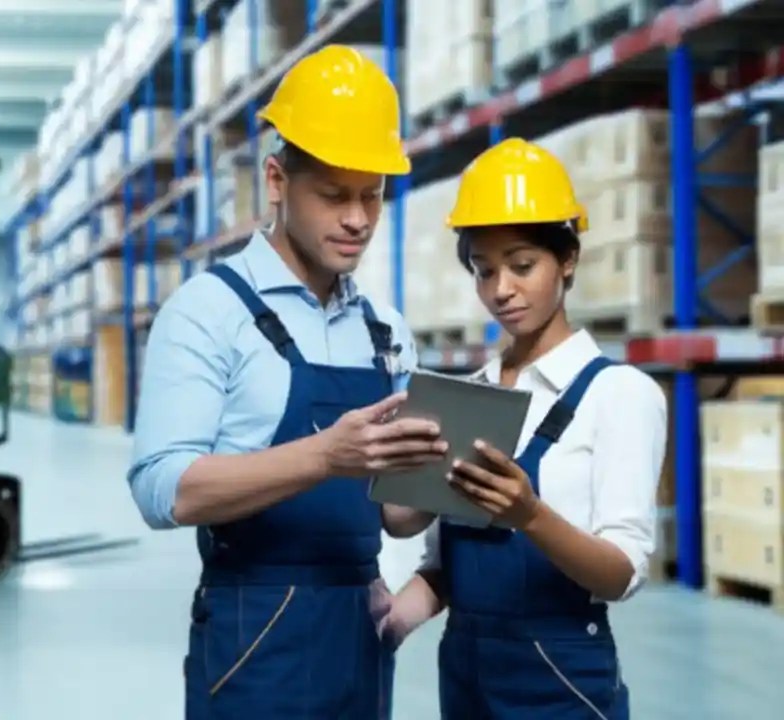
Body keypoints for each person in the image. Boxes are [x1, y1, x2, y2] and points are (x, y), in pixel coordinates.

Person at [127, 45, 448, 719]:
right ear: (276, 180)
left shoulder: (385, 332)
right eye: (333, 195)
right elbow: (162, 489)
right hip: (254, 638)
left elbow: (395, 517)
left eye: (371, 195)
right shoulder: (208, 311)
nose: (357, 219)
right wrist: (325, 456)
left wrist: (447, 480)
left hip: (360, 633)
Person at [377, 138, 668, 719]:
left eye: (522, 265)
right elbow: (443, 568)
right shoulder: (468, 397)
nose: (500, 289)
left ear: (568, 259)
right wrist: (387, 624)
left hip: (562, 679)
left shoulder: (620, 394)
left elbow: (620, 573)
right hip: (466, 675)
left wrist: (530, 516)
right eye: (484, 271)